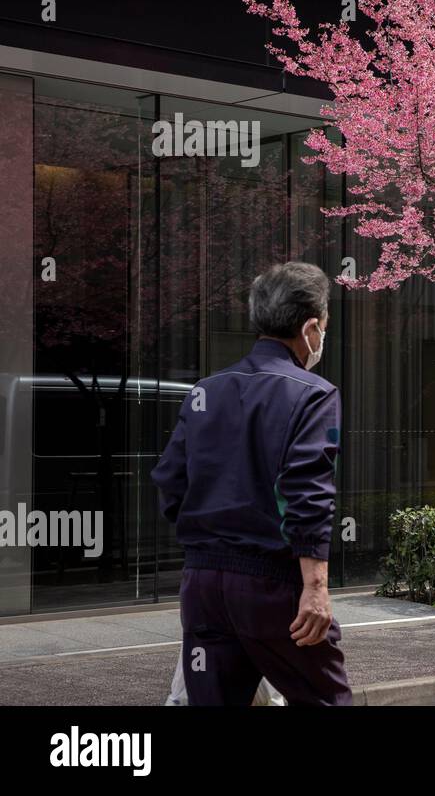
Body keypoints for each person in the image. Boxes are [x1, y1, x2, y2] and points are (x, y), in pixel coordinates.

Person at [151, 261, 352, 705]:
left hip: (203, 584)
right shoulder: (313, 393)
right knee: (325, 699)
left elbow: (169, 479)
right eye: (322, 329)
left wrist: (206, 537)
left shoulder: (207, 389)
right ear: (311, 327)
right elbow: (308, 492)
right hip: (271, 584)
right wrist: (315, 588)